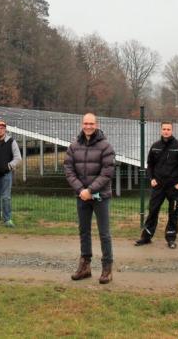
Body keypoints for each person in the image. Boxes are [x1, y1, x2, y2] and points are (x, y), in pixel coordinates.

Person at [64, 113, 115, 284]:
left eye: (91, 123)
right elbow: (68, 169)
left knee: (104, 233)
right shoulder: (74, 146)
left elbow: (107, 172)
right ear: (82, 124)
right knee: (84, 231)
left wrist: (91, 190)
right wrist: (81, 190)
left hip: (101, 196)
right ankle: (85, 267)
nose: (88, 126)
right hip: (82, 196)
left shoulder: (105, 146)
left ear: (96, 124)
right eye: (85, 123)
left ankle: (107, 268)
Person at [136, 121, 178, 249]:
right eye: (164, 129)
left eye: (168, 129)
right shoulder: (155, 146)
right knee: (152, 211)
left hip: (173, 187)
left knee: (173, 212)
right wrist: (151, 178)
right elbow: (150, 164)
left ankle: (171, 238)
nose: (166, 131)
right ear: (161, 130)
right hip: (158, 186)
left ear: (172, 130)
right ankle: (146, 237)